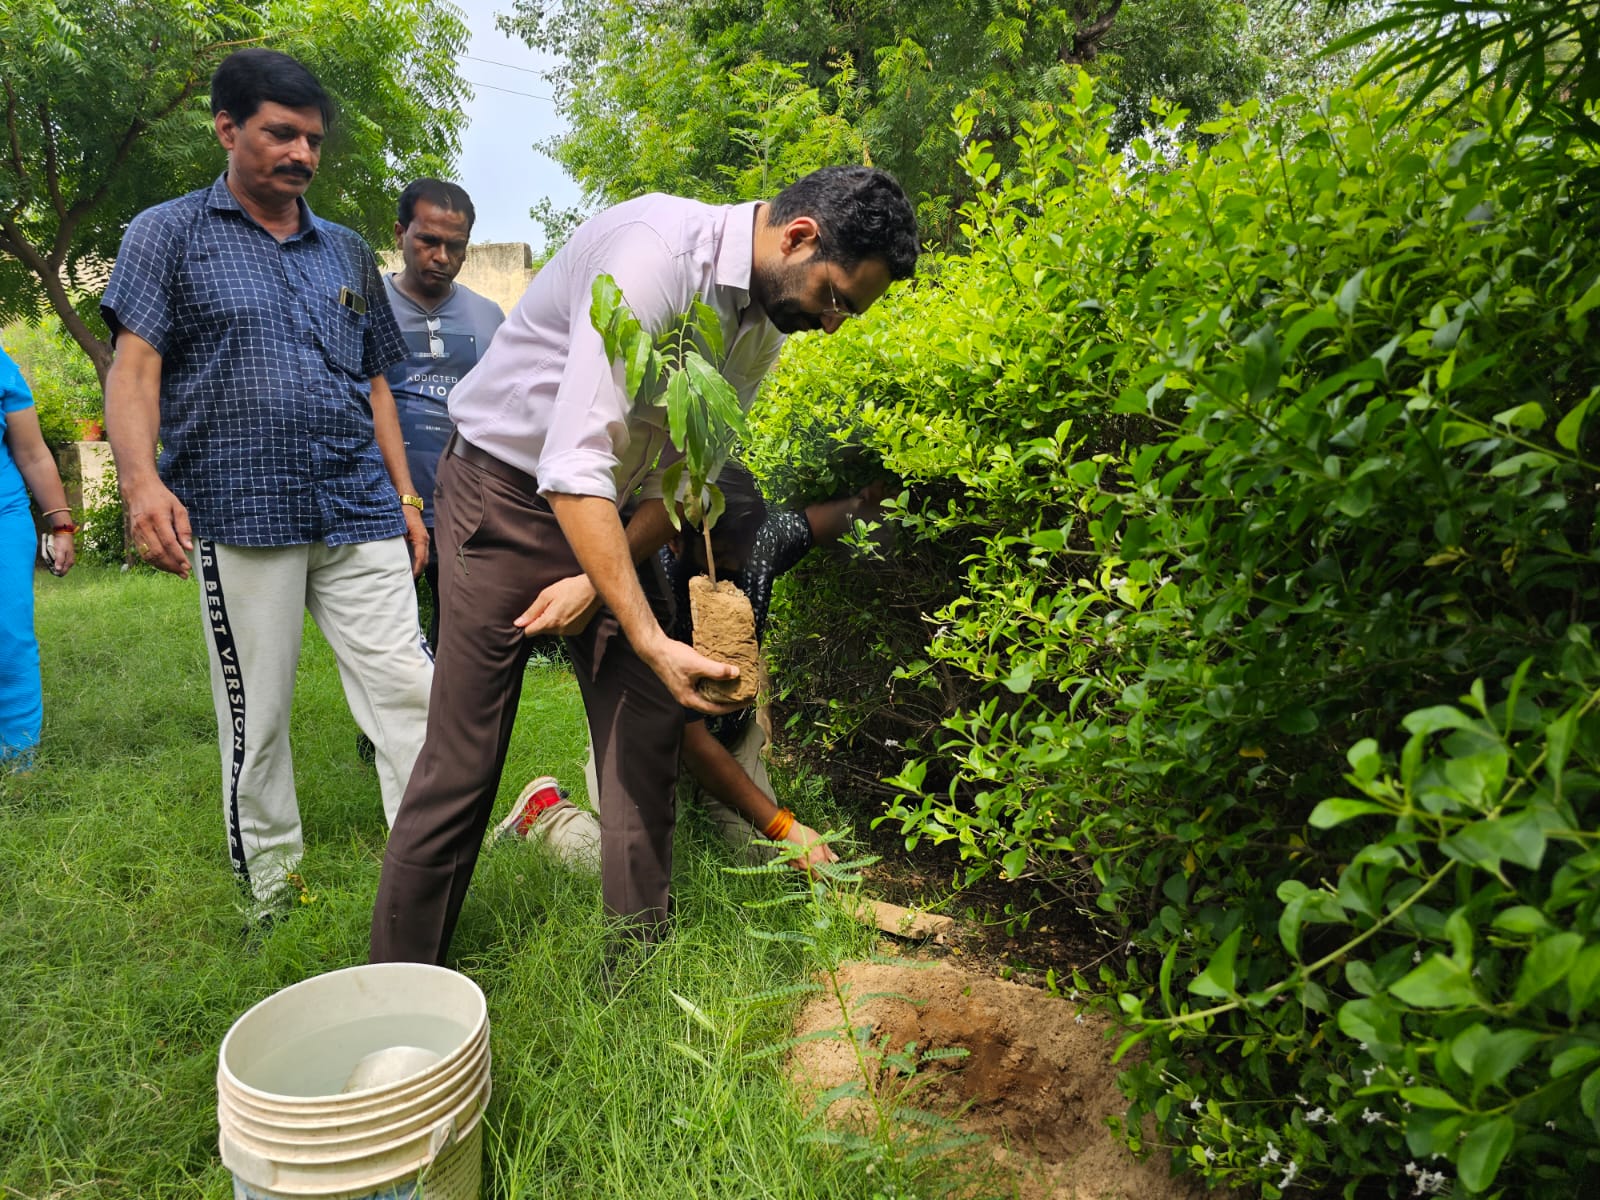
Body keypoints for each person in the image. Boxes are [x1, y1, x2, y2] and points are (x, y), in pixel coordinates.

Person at [371, 165, 919, 965]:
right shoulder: (654, 254)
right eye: (836, 297)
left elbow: (687, 476)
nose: (833, 324)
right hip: (503, 494)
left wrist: (596, 585)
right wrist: (650, 636)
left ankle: (636, 963)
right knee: (465, 756)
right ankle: (402, 983)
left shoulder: (764, 321)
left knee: (648, 719)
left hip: (612, 518)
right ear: (800, 238)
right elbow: (571, 463)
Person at [100, 49, 434, 919]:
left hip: (358, 502)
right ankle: (276, 899)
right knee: (262, 718)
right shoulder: (166, 234)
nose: (303, 155)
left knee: (412, 687)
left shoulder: (349, 251)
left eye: (313, 140)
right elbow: (136, 367)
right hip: (243, 512)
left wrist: (406, 500)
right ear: (227, 128)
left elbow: (376, 384)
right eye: (282, 134)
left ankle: (427, 866)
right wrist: (140, 484)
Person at [500, 463, 889, 876]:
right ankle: (547, 815)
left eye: (745, 548)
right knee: (648, 871)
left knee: (767, 863)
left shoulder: (759, 542)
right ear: (674, 543)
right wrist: (783, 825)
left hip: (730, 737)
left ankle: (719, 811)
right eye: (721, 556)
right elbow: (690, 741)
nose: (738, 564)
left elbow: (816, 522)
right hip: (651, 739)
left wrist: (865, 504)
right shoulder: (649, 590)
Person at [382, 179, 504, 649]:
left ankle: (446, 719)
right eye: (428, 241)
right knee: (388, 633)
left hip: (464, 505)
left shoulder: (488, 317)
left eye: (455, 246)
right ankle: (385, 725)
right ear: (400, 234)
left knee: (460, 632)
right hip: (386, 502)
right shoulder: (367, 306)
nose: (441, 256)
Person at [1, 345, 77, 771]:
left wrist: (62, 526)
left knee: (9, 641)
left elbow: (31, 452)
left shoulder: (1, 366)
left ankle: (19, 764)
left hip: (3, 515)